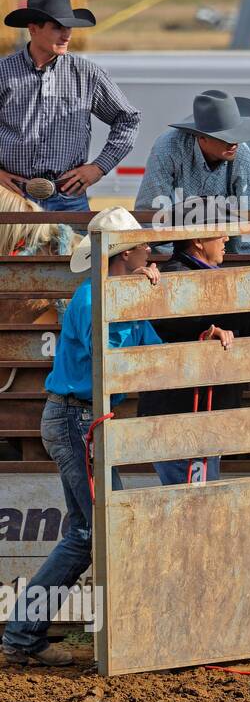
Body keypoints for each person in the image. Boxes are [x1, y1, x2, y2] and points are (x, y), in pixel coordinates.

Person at [1, 207, 161, 666]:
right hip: (77, 419)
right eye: (142, 247)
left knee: (89, 530)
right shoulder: (95, 299)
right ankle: (26, 636)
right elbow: (111, 360)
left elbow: (153, 352)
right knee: (93, 530)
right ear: (125, 254)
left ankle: (25, 636)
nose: (149, 252)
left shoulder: (111, 296)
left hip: (81, 420)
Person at [136, 233, 250, 486]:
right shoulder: (178, 276)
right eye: (219, 234)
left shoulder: (204, 275)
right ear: (198, 241)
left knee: (195, 500)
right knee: (194, 504)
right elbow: (189, 324)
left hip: (197, 414)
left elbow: (248, 325)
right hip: (185, 416)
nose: (226, 239)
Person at [0, 0, 140, 214]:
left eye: (69, 28)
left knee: (77, 251)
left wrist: (98, 167)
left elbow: (128, 119)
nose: (66, 35)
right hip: (11, 197)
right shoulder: (3, 72)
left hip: (68, 197)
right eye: (57, 27)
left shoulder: (87, 74)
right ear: (33, 29)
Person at [134, 90, 250, 251]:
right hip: (175, 252)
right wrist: (170, 261)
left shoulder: (244, 160)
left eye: (237, 136)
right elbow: (152, 210)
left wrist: (243, 269)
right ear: (202, 137)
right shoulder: (168, 148)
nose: (234, 144)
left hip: (225, 253)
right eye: (226, 137)